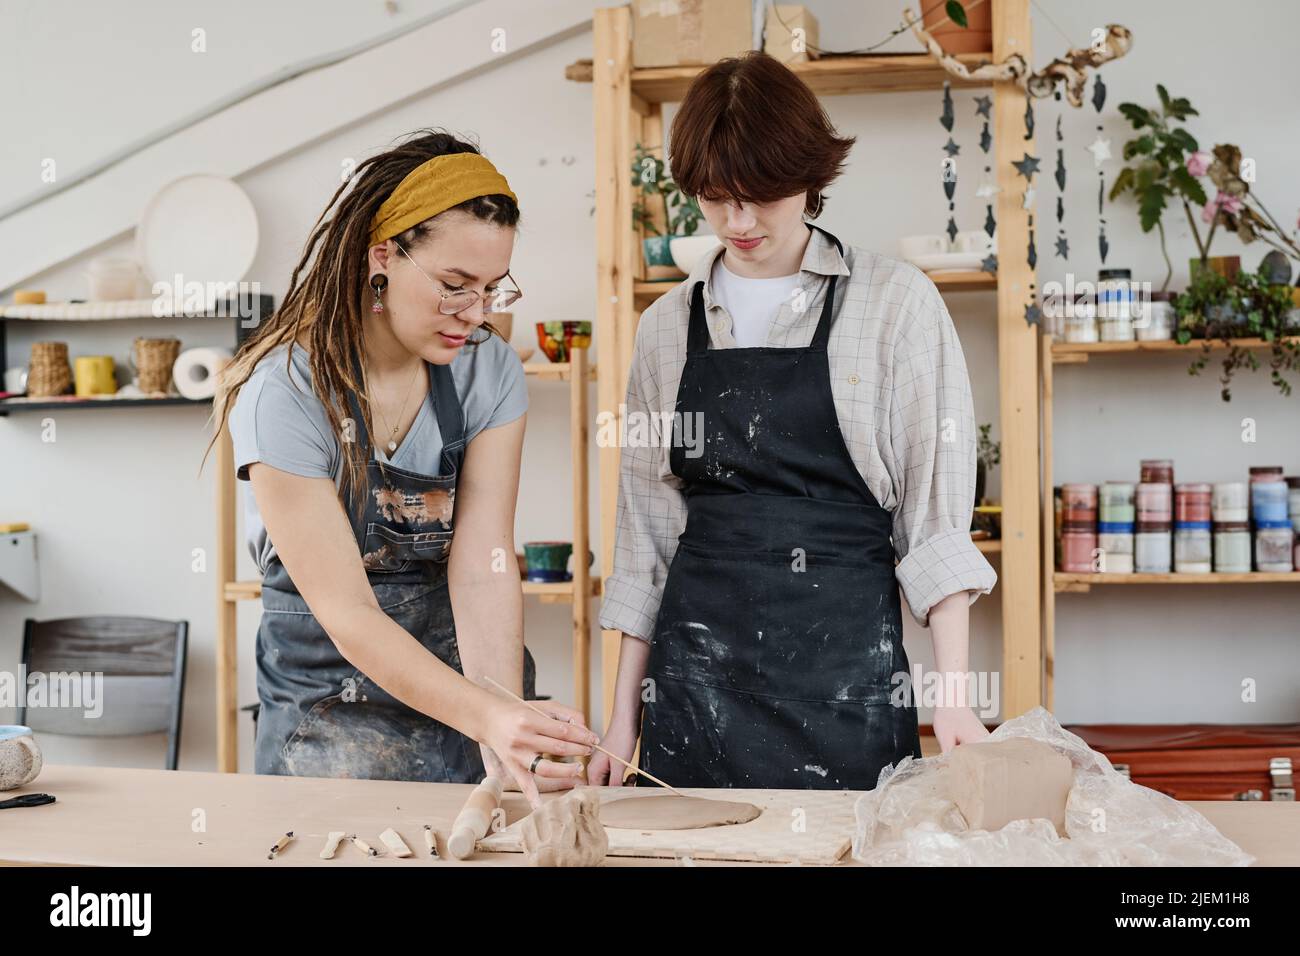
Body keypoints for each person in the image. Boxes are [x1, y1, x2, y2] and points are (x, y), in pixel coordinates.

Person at [590, 54, 998, 791]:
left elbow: (935, 527)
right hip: (695, 682)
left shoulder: (896, 306)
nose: (737, 223)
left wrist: (955, 702)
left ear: (809, 175)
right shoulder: (664, 328)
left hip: (846, 678)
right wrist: (622, 715)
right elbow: (645, 537)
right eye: (715, 199)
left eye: (760, 196)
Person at [213, 130, 596, 804]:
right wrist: (491, 719)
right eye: (454, 286)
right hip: (331, 709)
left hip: (467, 689)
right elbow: (349, 612)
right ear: (382, 256)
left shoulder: (489, 373)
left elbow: (482, 567)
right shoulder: (284, 395)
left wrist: (501, 727)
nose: (475, 315)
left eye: (491, 290)